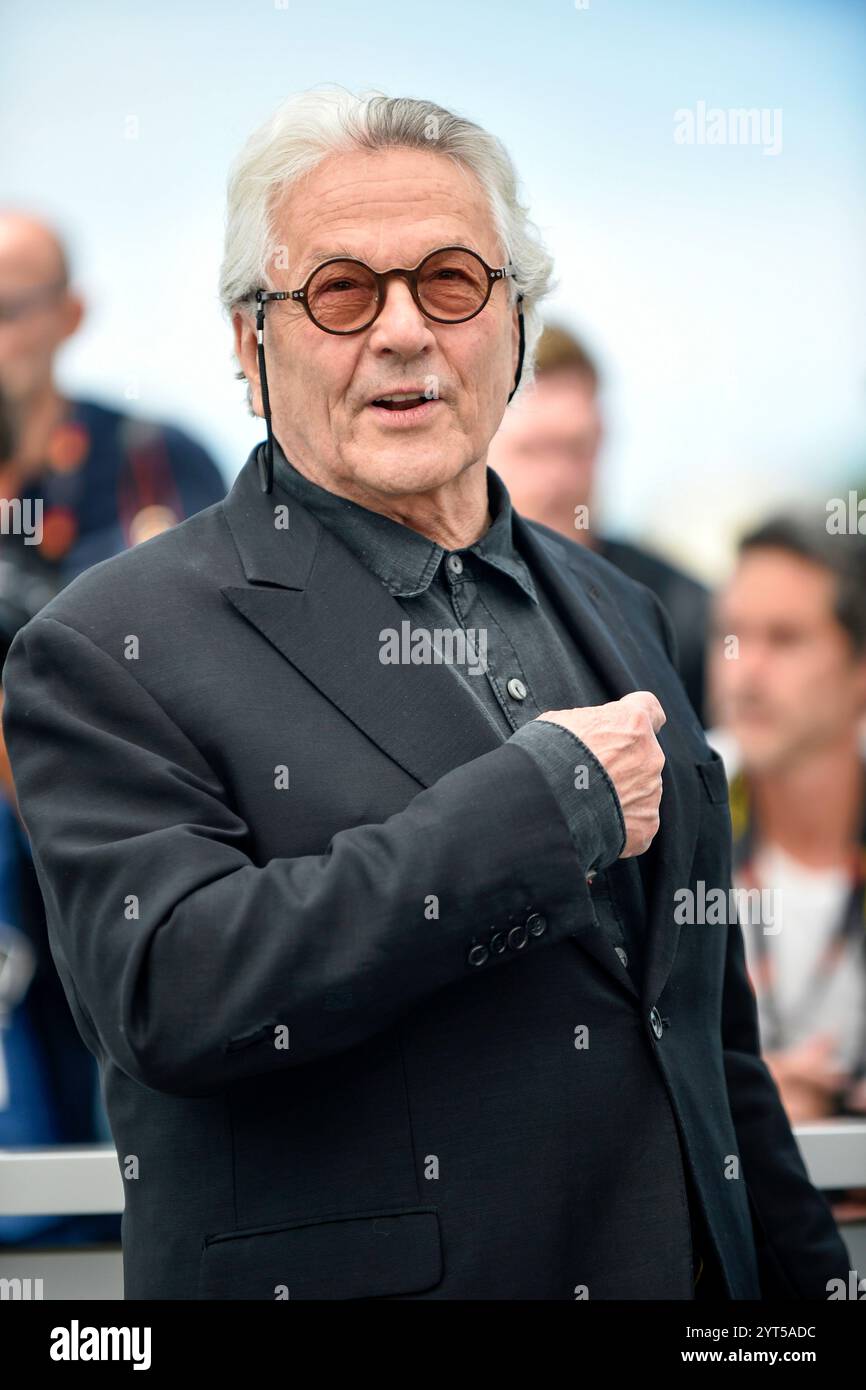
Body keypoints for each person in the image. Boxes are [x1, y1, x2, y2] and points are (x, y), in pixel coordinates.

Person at [1, 88, 850, 1300]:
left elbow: (706, 1043)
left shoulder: (621, 611)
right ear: (251, 343)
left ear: (513, 321)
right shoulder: (110, 641)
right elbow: (172, 995)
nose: (402, 331)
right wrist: (534, 809)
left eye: (450, 282)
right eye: (340, 291)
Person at [0, 211, 226, 1245]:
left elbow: (232, 654)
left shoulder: (154, 464)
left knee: (145, 1180)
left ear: (69, 315)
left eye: (6, 309)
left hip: (128, 851)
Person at [707, 516, 866, 1218]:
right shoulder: (660, 821)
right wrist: (744, 1093)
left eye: (787, 639)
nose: (746, 671)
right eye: (731, 637)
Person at [487, 325, 711, 724]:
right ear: (482, 446)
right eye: (534, 451)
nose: (561, 478)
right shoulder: (444, 614)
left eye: (577, 447)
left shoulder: (680, 612)